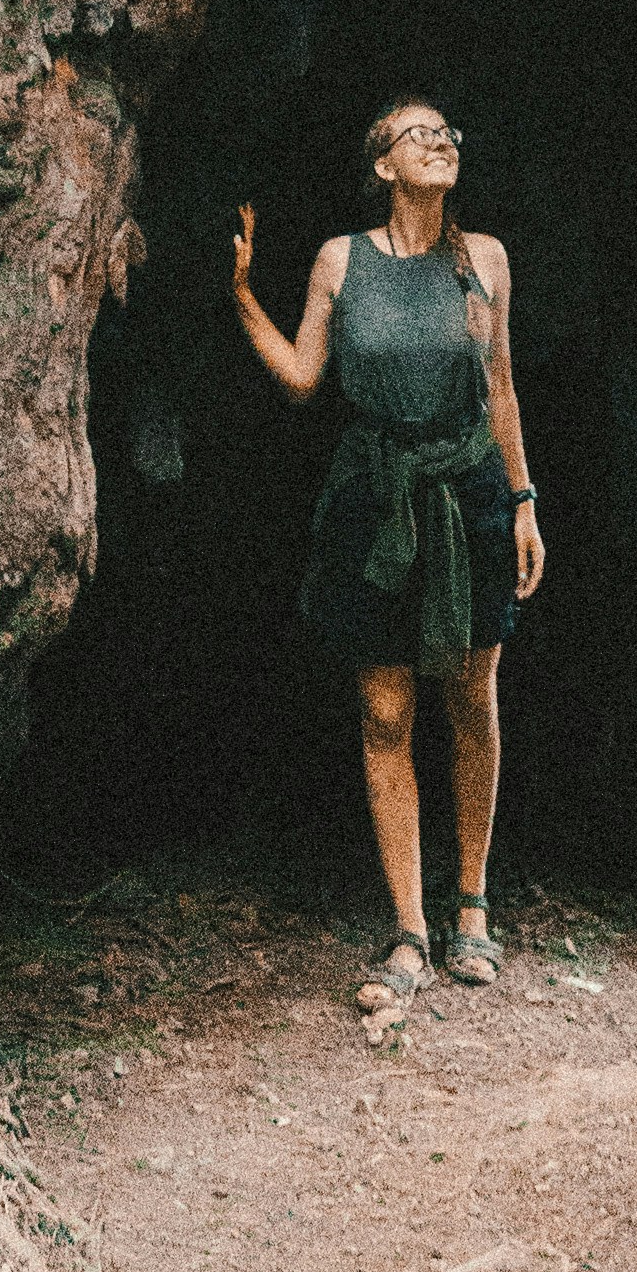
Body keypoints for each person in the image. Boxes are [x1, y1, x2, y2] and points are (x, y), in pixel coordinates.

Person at [231, 100, 546, 1022]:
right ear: (383, 165)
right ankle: (410, 928)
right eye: (420, 134)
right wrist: (242, 296)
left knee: (472, 697)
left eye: (450, 133)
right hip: (374, 499)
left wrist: (524, 500)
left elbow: (500, 387)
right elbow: (303, 378)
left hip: (470, 489)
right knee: (385, 709)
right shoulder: (341, 260)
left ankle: (472, 904)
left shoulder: (484, 258)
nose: (442, 142)